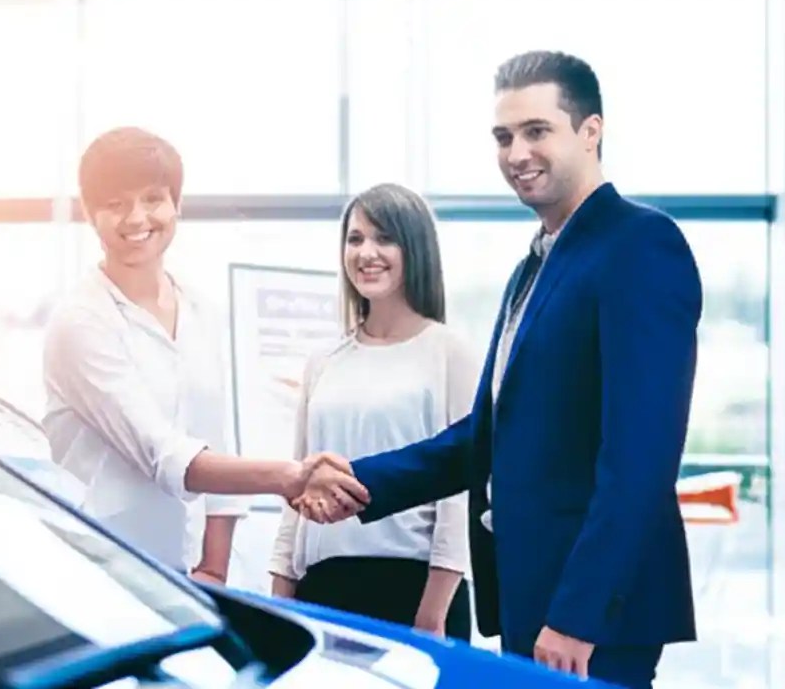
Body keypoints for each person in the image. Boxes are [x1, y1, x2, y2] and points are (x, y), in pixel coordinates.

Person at [293, 50, 702, 689]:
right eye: (504, 137)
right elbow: (484, 438)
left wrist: (578, 616)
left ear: (590, 131)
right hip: (532, 598)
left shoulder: (639, 246)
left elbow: (641, 458)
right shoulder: (533, 268)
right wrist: (359, 482)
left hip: (592, 616)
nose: (517, 153)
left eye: (537, 131)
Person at [43, 126, 364, 580]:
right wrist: (287, 476)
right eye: (116, 204)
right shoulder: (80, 321)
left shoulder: (201, 309)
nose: (136, 219)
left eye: (153, 199)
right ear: (91, 215)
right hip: (102, 571)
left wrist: (213, 570)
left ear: (176, 205)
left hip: (185, 579)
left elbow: (216, 437)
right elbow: (162, 453)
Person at [268, 183, 474, 640]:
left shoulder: (450, 353)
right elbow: (296, 487)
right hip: (324, 589)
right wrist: (279, 597)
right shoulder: (324, 360)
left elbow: (460, 495)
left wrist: (434, 612)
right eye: (355, 238)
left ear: (415, 247)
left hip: (417, 590)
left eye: (384, 238)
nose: (366, 253)